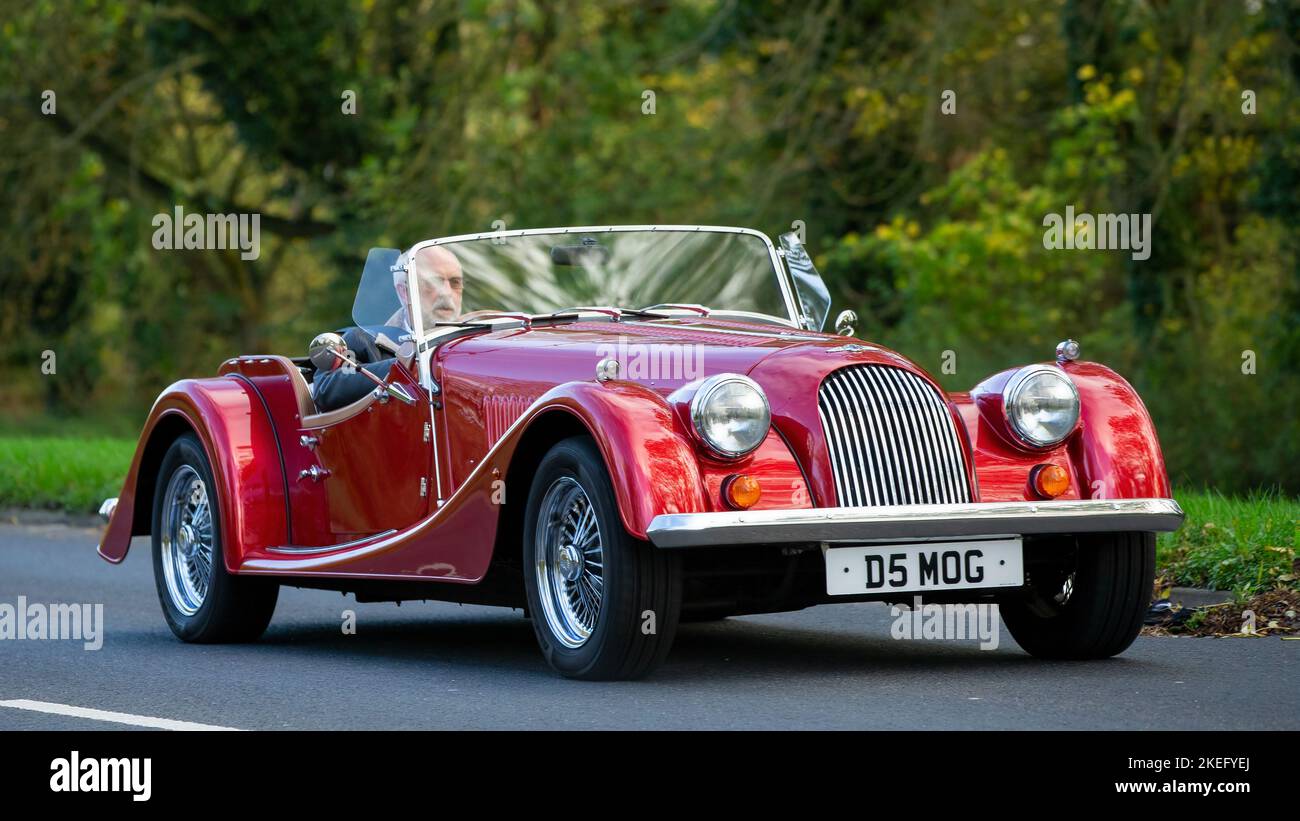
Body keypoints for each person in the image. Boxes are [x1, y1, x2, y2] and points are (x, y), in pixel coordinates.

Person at [312, 246, 464, 412]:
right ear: (405, 292)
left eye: (455, 283)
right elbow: (325, 388)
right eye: (433, 282)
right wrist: (408, 364)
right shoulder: (365, 339)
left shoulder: (480, 339)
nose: (447, 293)